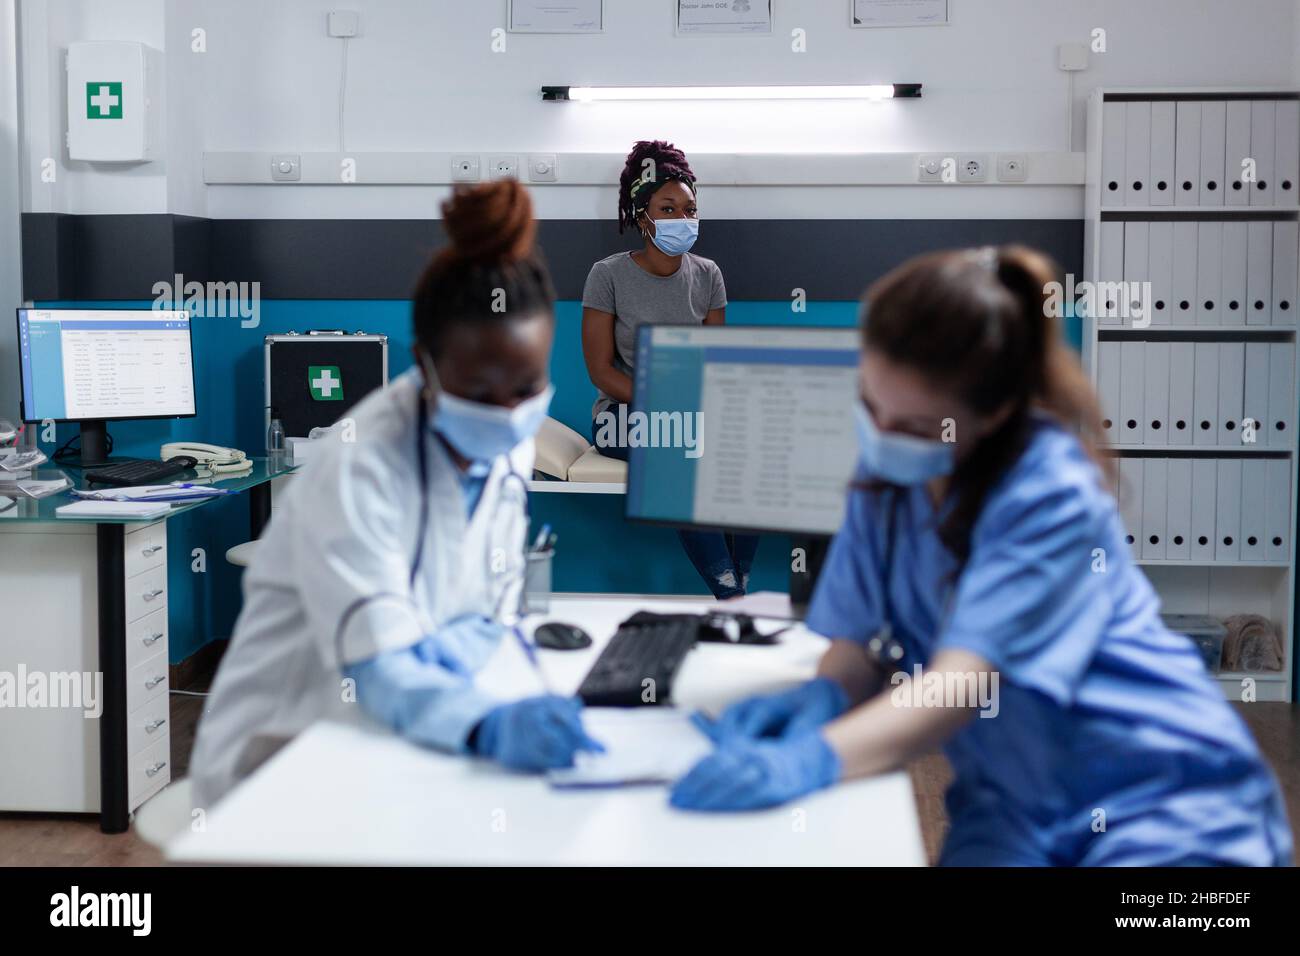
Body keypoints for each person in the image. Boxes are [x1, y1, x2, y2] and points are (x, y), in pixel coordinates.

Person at [669, 245, 1293, 867]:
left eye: (912, 425)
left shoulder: (1049, 490)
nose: (881, 436)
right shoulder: (884, 480)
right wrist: (826, 697)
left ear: (994, 412)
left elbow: (962, 684)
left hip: (1164, 808)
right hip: (1013, 802)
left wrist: (814, 758)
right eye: (868, 405)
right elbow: (857, 651)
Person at [190, 181, 602, 808]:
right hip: (284, 763)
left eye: (526, 387)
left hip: (404, 740)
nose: (507, 412)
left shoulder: (511, 441)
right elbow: (380, 672)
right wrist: (485, 723)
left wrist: (456, 648)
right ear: (425, 364)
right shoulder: (358, 465)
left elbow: (486, 606)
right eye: (479, 392)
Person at [581, 139, 758, 599]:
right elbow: (600, 371)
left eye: (689, 208)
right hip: (622, 415)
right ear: (642, 215)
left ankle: (739, 583)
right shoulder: (608, 275)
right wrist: (665, 406)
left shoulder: (708, 274)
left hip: (691, 415)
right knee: (679, 454)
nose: (683, 218)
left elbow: (714, 363)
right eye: (668, 207)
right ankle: (731, 597)